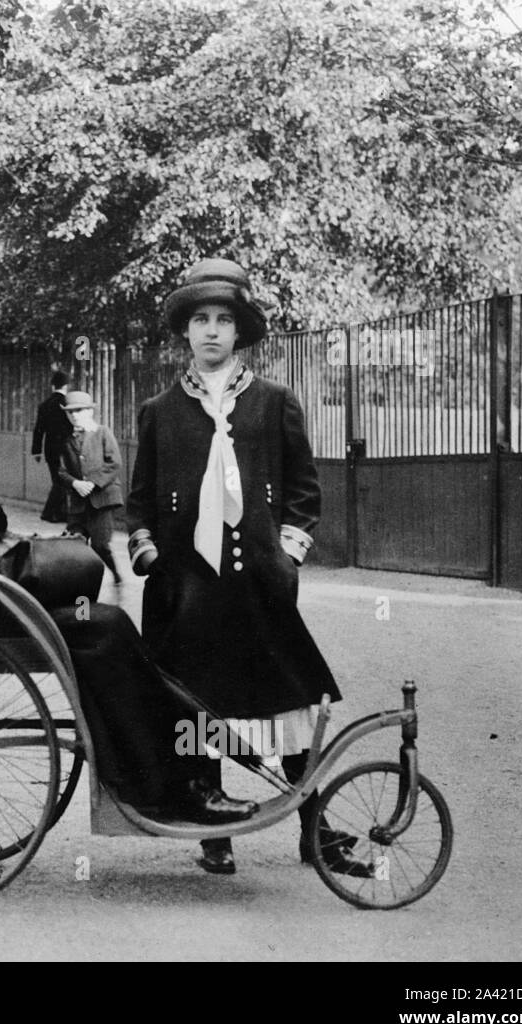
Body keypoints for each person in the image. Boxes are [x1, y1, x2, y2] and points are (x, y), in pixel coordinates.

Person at [0, 325, 258, 822]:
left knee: (106, 624)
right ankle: (165, 784)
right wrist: (9, 565)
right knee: (102, 629)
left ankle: (184, 768)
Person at [125, 258, 369, 878]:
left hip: (258, 582)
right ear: (185, 332)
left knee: (286, 697)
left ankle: (315, 826)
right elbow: (141, 496)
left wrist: (285, 555)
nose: (211, 331)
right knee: (196, 703)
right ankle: (215, 827)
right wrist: (149, 552)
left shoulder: (273, 402)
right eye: (200, 320)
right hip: (186, 585)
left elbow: (303, 492)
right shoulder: (159, 409)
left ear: (240, 333)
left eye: (223, 321)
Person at [54, 390, 123, 582]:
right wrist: (75, 483)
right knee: (73, 542)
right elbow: (61, 471)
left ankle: (116, 575)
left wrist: (92, 483)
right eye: (70, 412)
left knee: (100, 546)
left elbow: (114, 463)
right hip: (79, 501)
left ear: (90, 412)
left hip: (102, 499)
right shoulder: (67, 440)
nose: (74, 415)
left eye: (79, 410)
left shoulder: (102, 433)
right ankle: (81, 581)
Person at [31, 371, 74, 523]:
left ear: (52, 386)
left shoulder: (44, 405)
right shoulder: (67, 404)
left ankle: (59, 513)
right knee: (63, 481)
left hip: (50, 448)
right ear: (66, 386)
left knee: (57, 479)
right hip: (67, 448)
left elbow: (38, 429)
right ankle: (49, 512)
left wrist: (36, 451)